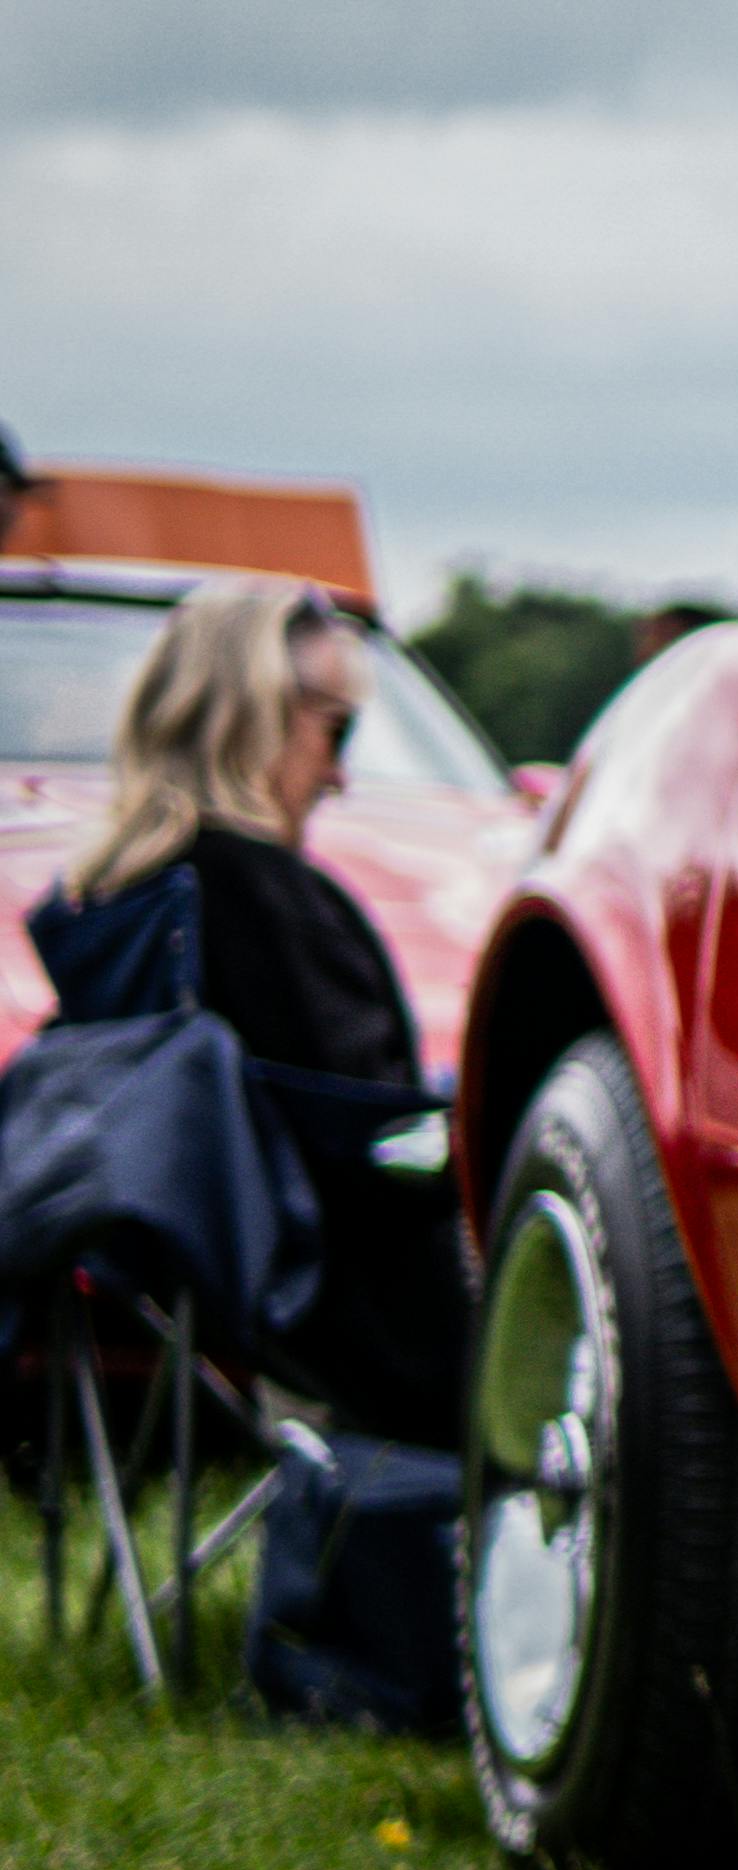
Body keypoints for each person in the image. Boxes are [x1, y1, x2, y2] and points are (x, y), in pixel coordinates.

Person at [59, 579, 464, 1450]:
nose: (340, 774)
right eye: (335, 730)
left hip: (194, 1291)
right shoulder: (269, 900)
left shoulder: (117, 903)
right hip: (361, 1315)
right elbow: (373, 1139)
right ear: (252, 716)